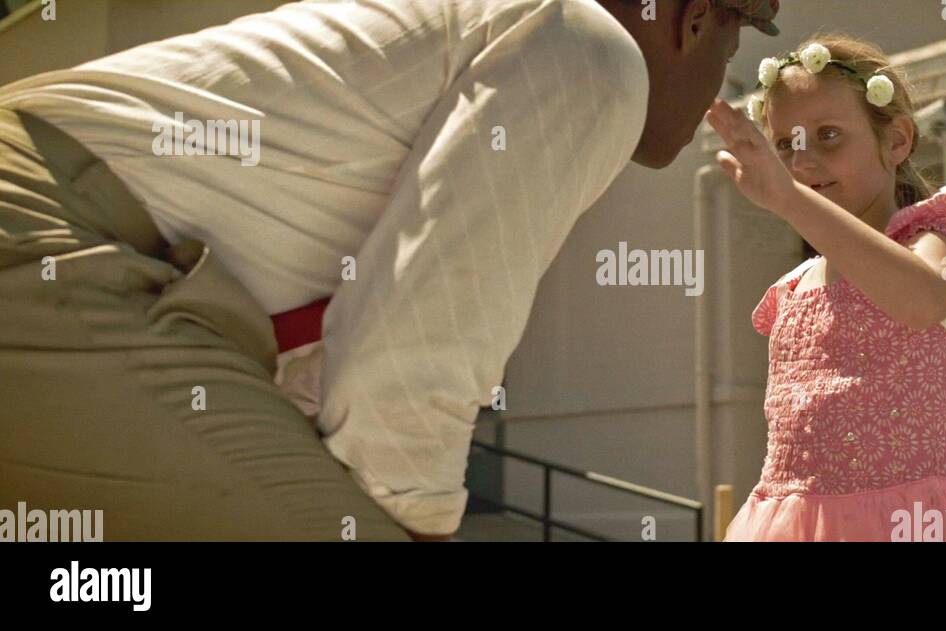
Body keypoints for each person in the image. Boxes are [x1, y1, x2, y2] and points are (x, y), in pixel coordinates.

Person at [0, 0, 780, 541]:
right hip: (53, 235)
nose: (722, 83)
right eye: (731, 51)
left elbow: (351, 359)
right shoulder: (596, 51)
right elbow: (410, 370)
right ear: (695, 20)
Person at [707, 34, 946, 541]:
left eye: (828, 135)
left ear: (896, 141)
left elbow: (926, 300)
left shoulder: (928, 239)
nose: (802, 163)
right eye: (786, 144)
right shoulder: (794, 288)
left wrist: (790, 200)